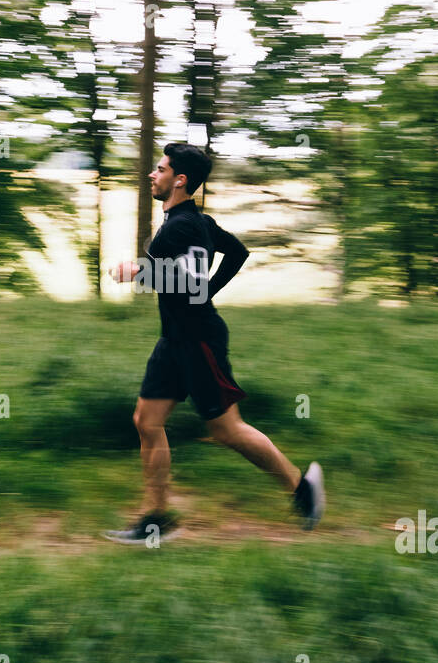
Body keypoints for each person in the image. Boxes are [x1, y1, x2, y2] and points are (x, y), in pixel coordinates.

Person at [104, 142, 324, 544]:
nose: (152, 175)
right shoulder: (194, 221)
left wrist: (138, 271)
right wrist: (207, 290)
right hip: (173, 341)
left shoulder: (184, 225)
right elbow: (236, 254)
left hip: (198, 341)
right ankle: (156, 519)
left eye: (160, 169)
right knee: (146, 421)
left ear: (179, 180)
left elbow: (188, 283)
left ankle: (300, 488)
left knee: (227, 430)